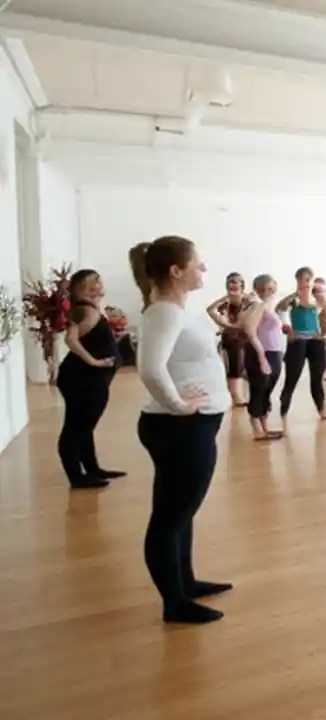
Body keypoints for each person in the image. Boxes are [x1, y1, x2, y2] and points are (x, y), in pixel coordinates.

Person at [129, 236, 233, 624]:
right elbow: (149, 368)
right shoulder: (166, 312)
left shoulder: (177, 309)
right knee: (170, 519)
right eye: (198, 263)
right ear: (177, 270)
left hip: (190, 426)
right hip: (181, 428)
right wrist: (177, 404)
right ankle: (174, 604)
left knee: (182, 512)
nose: (204, 269)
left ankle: (185, 583)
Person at [55, 268, 125, 489]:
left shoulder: (90, 309)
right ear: (82, 288)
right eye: (94, 281)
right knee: (77, 427)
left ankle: (92, 469)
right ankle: (76, 476)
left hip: (88, 379)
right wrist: (92, 362)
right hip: (82, 378)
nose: (99, 284)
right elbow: (71, 340)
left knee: (85, 426)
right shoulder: (85, 310)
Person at [275, 266, 326, 433]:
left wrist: (324, 334)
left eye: (308, 280)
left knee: (317, 378)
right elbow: (280, 307)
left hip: (315, 340)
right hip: (298, 341)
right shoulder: (294, 299)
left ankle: (322, 410)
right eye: (302, 280)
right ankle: (283, 412)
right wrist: (296, 294)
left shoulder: (318, 299)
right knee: (292, 378)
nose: (305, 283)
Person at [241, 274, 286, 441]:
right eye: (264, 289)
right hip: (263, 352)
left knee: (268, 389)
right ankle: (255, 425)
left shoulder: (270, 306)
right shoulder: (257, 306)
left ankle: (265, 426)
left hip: (275, 352)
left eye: (271, 288)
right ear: (257, 290)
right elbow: (250, 331)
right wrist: (261, 357)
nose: (269, 291)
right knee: (259, 388)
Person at [205, 273, 249, 406]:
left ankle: (243, 396)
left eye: (237, 282)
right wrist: (227, 297)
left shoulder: (248, 301)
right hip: (232, 339)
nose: (234, 284)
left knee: (246, 369)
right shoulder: (224, 304)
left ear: (242, 285)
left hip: (248, 338)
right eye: (231, 281)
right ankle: (237, 397)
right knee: (235, 368)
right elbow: (210, 310)